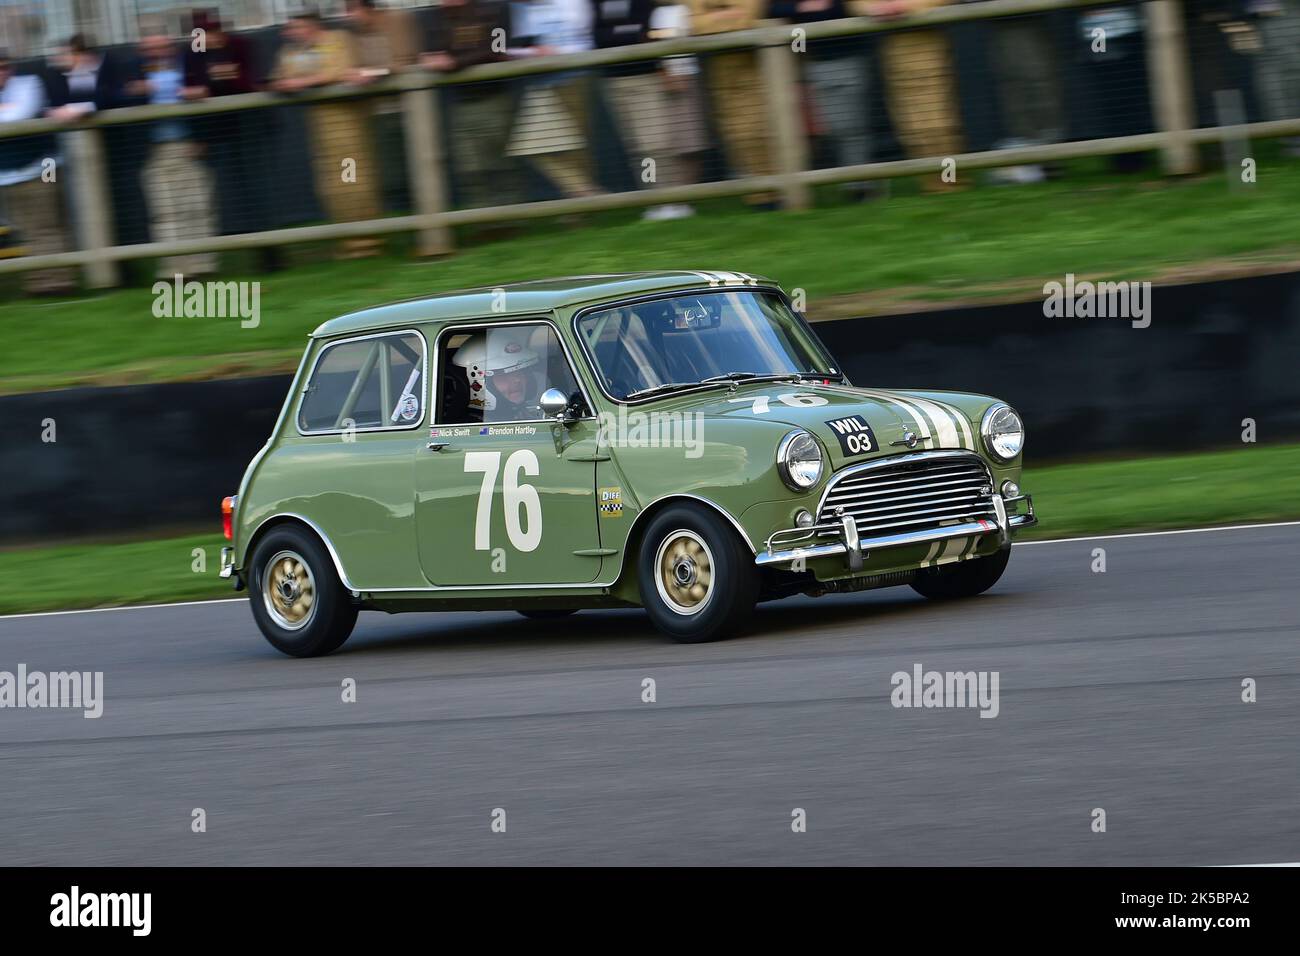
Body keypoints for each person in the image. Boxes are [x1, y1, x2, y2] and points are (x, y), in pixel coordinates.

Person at [270, 8, 381, 258]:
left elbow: (339, 70)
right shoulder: (292, 51)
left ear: (312, 26)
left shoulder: (338, 39)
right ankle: (346, 241)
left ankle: (366, 241)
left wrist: (302, 81)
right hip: (319, 129)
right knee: (330, 185)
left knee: (352, 180)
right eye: (290, 29)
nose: (291, 33)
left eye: (297, 27)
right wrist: (290, 81)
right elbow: (280, 77)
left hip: (346, 127)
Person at [130, 27, 218, 277]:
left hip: (187, 145)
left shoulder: (190, 64)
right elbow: (114, 96)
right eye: (149, 49)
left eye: (161, 47)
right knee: (164, 210)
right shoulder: (133, 70)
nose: (155, 53)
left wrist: (202, 138)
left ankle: (203, 266)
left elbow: (209, 90)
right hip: (153, 149)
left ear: (171, 48)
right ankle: (175, 270)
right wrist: (135, 91)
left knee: (197, 204)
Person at [593, 0, 693, 218]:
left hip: (648, 76)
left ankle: (673, 201)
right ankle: (655, 201)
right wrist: (627, 34)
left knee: (655, 144)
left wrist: (622, 34)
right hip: (613, 80)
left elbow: (648, 31)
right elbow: (598, 36)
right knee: (636, 148)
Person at [420, 0, 519, 209]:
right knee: (469, 166)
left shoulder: (494, 8)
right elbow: (432, 54)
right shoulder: (435, 17)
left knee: (499, 162)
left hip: (494, 97)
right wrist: (439, 60)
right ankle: (482, 221)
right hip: (461, 102)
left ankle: (509, 218)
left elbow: (498, 51)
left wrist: (456, 63)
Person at [855, 0, 964, 190]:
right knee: (911, 125)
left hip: (926, 41)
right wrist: (874, 8)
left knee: (937, 122)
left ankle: (951, 185)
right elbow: (856, 4)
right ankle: (932, 185)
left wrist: (905, 6)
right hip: (893, 45)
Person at [770, 0, 874, 195]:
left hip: (847, 55)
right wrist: (800, 7)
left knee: (851, 127)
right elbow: (771, 8)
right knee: (830, 128)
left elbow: (842, 8)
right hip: (805, 61)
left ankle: (860, 186)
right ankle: (846, 181)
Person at [0, 49, 76, 294]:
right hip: (11, 174)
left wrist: (7, 110)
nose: (2, 73)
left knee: (48, 221)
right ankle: (42, 281)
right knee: (26, 226)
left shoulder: (28, 83)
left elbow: (18, 115)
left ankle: (56, 282)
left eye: (4, 68)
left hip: (45, 165)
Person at [507, 0, 601, 199]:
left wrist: (558, 53)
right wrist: (533, 52)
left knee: (577, 147)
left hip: (575, 78)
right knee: (534, 147)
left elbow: (585, 41)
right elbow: (502, 49)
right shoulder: (515, 7)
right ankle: (589, 194)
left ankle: (579, 212)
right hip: (539, 84)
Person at [686, 0, 777, 206]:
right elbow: (696, 26)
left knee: (755, 131)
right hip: (719, 73)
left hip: (754, 67)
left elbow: (748, 19)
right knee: (734, 134)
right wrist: (730, 15)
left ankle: (770, 193)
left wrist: (715, 17)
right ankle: (760, 193)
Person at [451, 331, 544, 422]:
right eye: (504, 375)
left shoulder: (524, 414)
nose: (517, 380)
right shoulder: (469, 431)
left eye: (521, 371)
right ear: (476, 381)